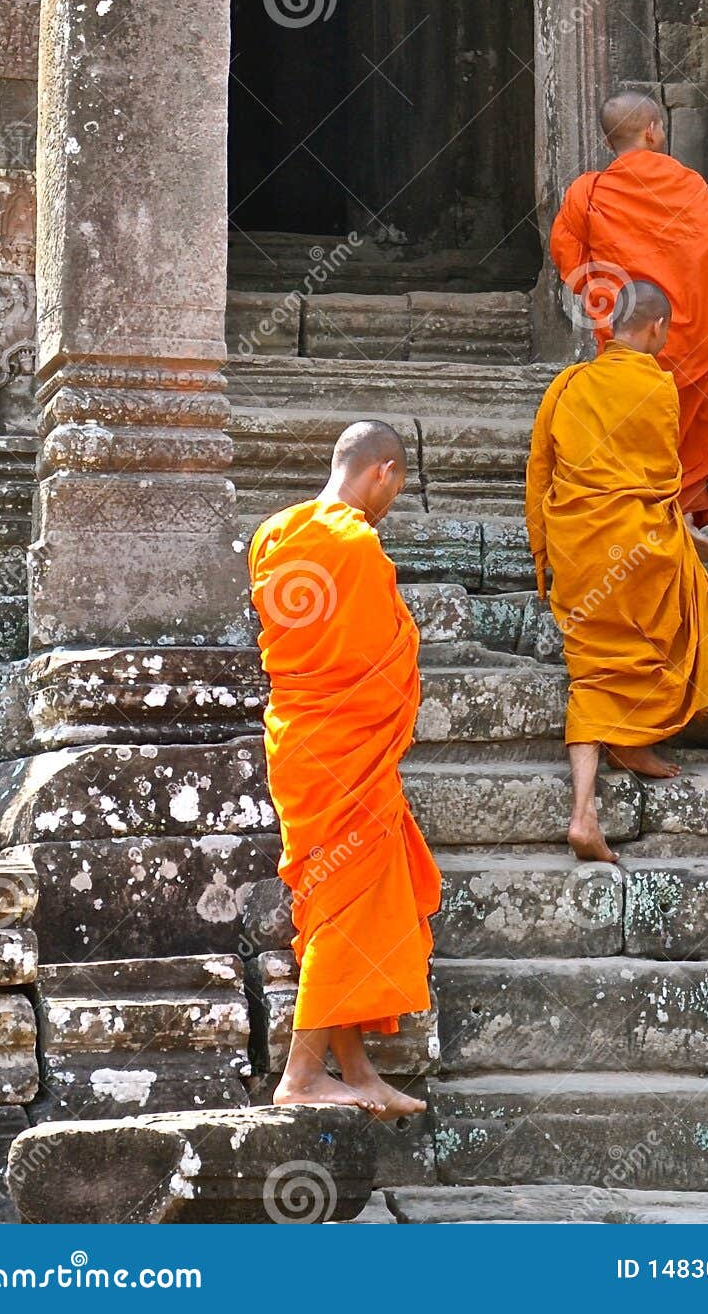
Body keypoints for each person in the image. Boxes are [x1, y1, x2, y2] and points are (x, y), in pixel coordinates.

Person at [248, 421, 440, 1119]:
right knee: (339, 906)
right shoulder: (357, 545)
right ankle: (301, 1075)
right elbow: (366, 662)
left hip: (302, 740)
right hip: (344, 749)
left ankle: (356, 1071)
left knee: (342, 900)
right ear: (382, 471)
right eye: (397, 485)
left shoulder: (274, 531)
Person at [525, 282, 708, 865]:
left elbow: (541, 475)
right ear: (655, 330)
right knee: (685, 613)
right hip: (637, 547)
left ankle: (592, 800)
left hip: (580, 545)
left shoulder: (567, 385)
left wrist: (546, 555)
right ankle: (612, 773)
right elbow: (656, 486)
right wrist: (687, 533)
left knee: (593, 671)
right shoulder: (656, 384)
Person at [549, 90, 708, 527]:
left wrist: (607, 310)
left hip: (630, 345)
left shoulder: (589, 192)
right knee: (679, 436)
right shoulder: (689, 185)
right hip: (696, 345)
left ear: (609, 142)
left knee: (627, 441)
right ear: (653, 131)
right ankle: (682, 527)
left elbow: (568, 256)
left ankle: (644, 527)